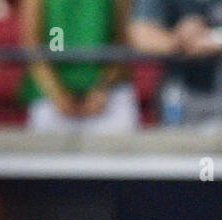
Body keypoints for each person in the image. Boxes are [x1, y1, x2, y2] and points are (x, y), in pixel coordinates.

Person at [128, 0, 222, 126]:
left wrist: (212, 39)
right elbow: (141, 35)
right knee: (171, 95)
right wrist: (179, 40)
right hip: (185, 86)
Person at [20, 0, 140, 133]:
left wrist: (102, 90)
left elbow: (123, 42)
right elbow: (31, 45)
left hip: (108, 93)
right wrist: (57, 94)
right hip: (50, 94)